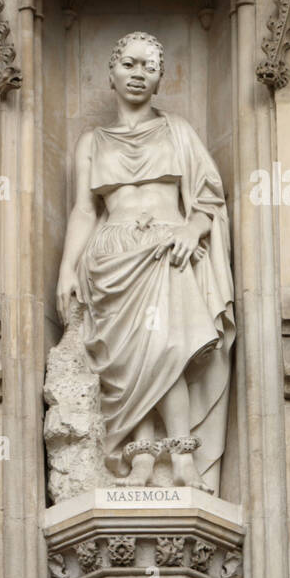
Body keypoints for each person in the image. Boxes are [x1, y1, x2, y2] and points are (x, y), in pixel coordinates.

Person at [56, 32, 235, 492]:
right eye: (131, 65)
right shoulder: (92, 142)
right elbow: (84, 210)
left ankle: (180, 457)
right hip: (111, 257)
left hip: (165, 252)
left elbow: (208, 196)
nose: (139, 75)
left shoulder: (178, 131)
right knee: (126, 361)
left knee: (166, 351)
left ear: (159, 80)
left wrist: (191, 230)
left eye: (149, 68)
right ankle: (140, 457)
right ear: (112, 73)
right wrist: (65, 269)